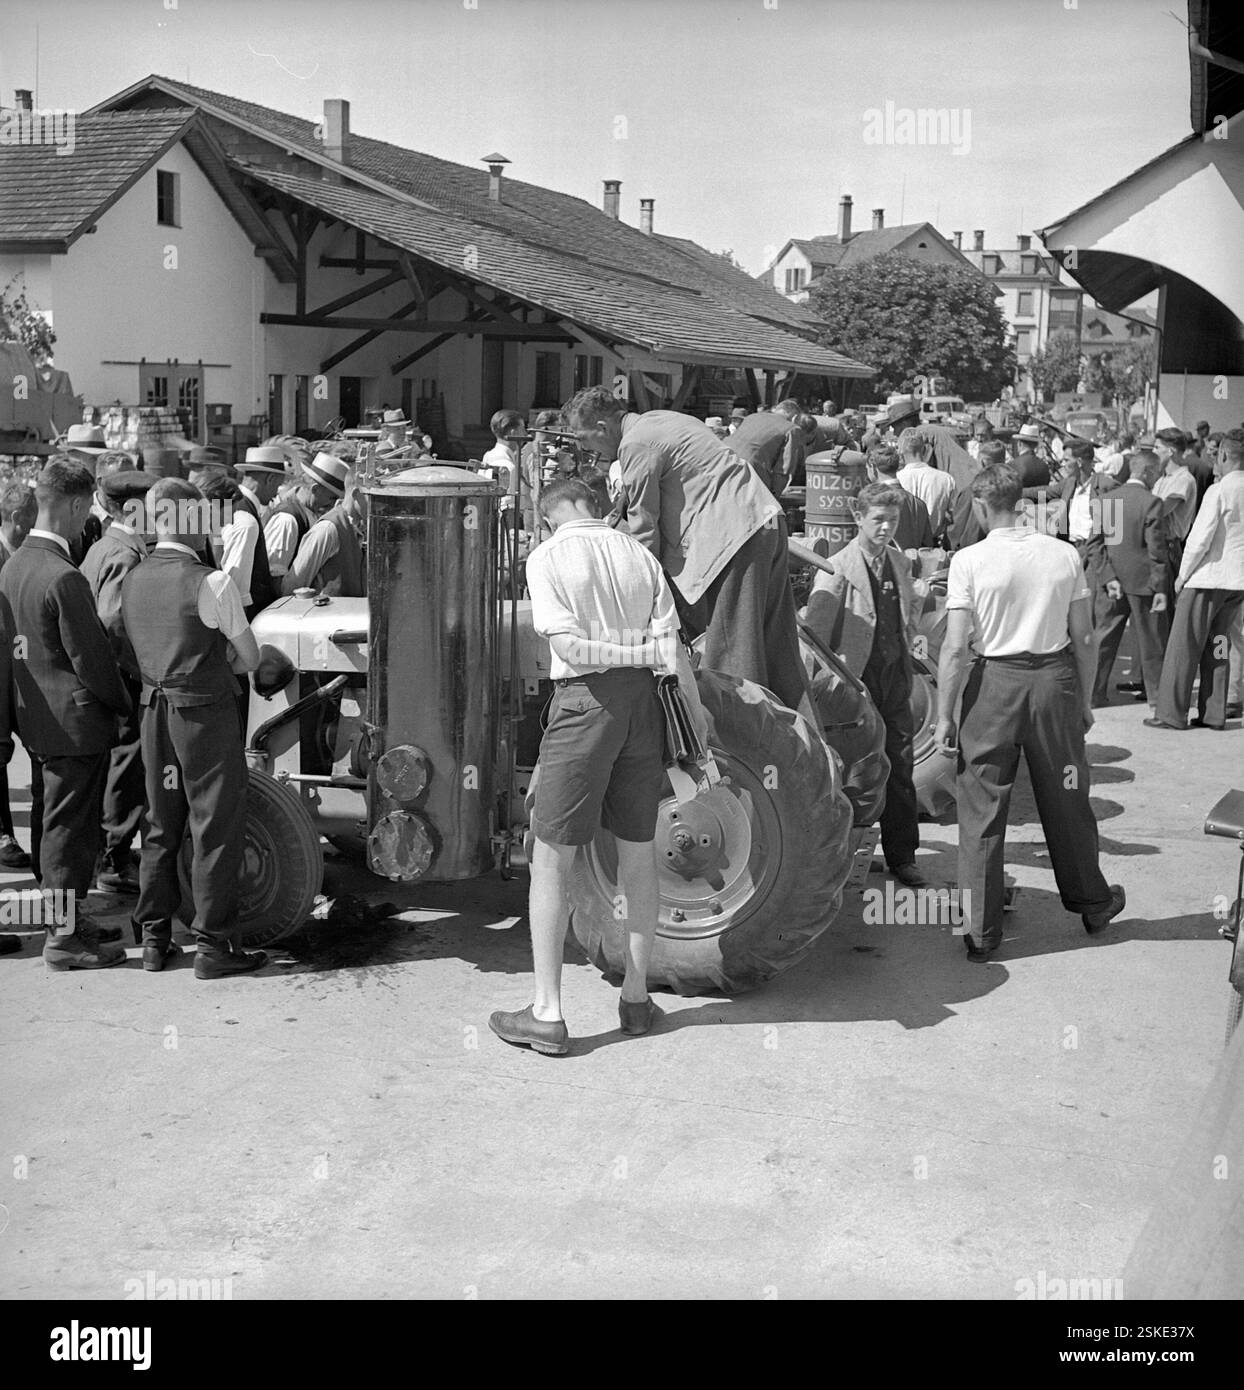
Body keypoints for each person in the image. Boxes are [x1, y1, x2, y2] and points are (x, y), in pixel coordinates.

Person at [488, 477, 706, 1054]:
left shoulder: (548, 556)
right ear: (595, 504)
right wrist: (696, 719)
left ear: (547, 515)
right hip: (645, 706)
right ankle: (636, 997)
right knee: (638, 851)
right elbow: (672, 650)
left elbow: (572, 649)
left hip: (587, 703)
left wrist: (630, 656)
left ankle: (548, 1013)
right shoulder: (639, 555)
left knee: (551, 856)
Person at [935, 464, 1125, 960]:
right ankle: (1093, 903)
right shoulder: (1063, 554)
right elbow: (1084, 636)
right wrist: (1082, 701)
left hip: (994, 685)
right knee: (1067, 797)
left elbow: (955, 648)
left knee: (981, 805)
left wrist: (945, 714)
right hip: (1053, 684)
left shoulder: (969, 560)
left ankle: (979, 931)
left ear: (979, 506)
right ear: (1021, 502)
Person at [564, 386, 813, 718]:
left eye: (583, 439)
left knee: (732, 650)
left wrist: (631, 592)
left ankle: (742, 738)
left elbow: (644, 524)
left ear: (602, 427)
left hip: (733, 535)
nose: (585, 448)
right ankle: (801, 733)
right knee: (775, 643)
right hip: (763, 520)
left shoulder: (635, 444)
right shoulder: (663, 418)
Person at [119, 477, 266, 977]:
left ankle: (155, 939)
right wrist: (221, 657)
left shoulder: (133, 578)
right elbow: (251, 656)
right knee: (214, 824)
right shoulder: (211, 580)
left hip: (153, 712)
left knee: (161, 823)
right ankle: (213, 945)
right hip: (203, 714)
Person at [0, 458, 132, 969]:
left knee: (54, 825)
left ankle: (70, 919)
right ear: (76, 505)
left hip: (37, 721)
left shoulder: (13, 566)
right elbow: (93, 661)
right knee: (69, 836)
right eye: (86, 511)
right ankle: (65, 937)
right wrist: (124, 704)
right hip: (75, 727)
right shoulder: (64, 577)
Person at [804, 483, 925, 887]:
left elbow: (906, 616)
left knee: (901, 766)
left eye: (892, 520)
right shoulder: (836, 569)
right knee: (851, 773)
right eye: (878, 519)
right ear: (858, 518)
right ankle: (838, 857)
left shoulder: (898, 562)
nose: (886, 527)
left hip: (895, 680)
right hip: (855, 690)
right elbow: (816, 639)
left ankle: (903, 856)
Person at [80, 470, 155, 896]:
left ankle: (112, 852)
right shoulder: (125, 554)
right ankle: (115, 858)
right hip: (123, 679)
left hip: (106, 677)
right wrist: (138, 668)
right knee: (127, 767)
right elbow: (112, 621)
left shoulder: (105, 547)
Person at [1147, 436, 1244, 731]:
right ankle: (1213, 713)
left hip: (1208, 577)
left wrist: (1181, 576)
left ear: (1225, 454)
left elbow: (1200, 539)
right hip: (1237, 581)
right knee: (1218, 644)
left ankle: (1170, 714)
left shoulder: (1219, 490)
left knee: (1183, 646)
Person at [1090, 456, 1170, 710]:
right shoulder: (1151, 503)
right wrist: (1160, 584)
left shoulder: (1108, 500)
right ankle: (1157, 699)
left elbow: (1096, 544)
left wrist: (1107, 576)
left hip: (1111, 579)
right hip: (1143, 581)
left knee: (1103, 640)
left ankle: (1093, 695)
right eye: (1157, 472)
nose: (1159, 477)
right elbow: (1156, 548)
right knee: (1152, 642)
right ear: (1147, 472)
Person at [0, 482, 36, 870]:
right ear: (15, 519)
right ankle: (4, 834)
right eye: (30, 521)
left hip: (24, 675)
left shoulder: (28, 553)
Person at [280, 453, 364, 597]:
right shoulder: (325, 528)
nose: (331, 504)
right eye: (331, 497)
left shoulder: (352, 527)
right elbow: (291, 586)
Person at [723, 402, 807, 496]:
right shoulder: (792, 429)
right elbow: (783, 469)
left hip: (724, 462)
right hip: (749, 475)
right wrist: (774, 495)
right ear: (794, 417)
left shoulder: (753, 417)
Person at [868, 446, 935, 553]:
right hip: (912, 566)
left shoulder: (871, 503)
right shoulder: (919, 504)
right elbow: (927, 547)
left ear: (873, 468)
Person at [1151, 428, 1200, 569]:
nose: (1154, 452)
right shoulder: (1162, 479)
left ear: (1170, 451)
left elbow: (1160, 510)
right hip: (1157, 542)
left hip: (1168, 545)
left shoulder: (1183, 479)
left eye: (1157, 447)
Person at [896, 429, 954, 542]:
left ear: (901, 451)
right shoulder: (946, 479)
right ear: (924, 449)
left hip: (903, 544)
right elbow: (952, 516)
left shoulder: (896, 479)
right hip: (934, 546)